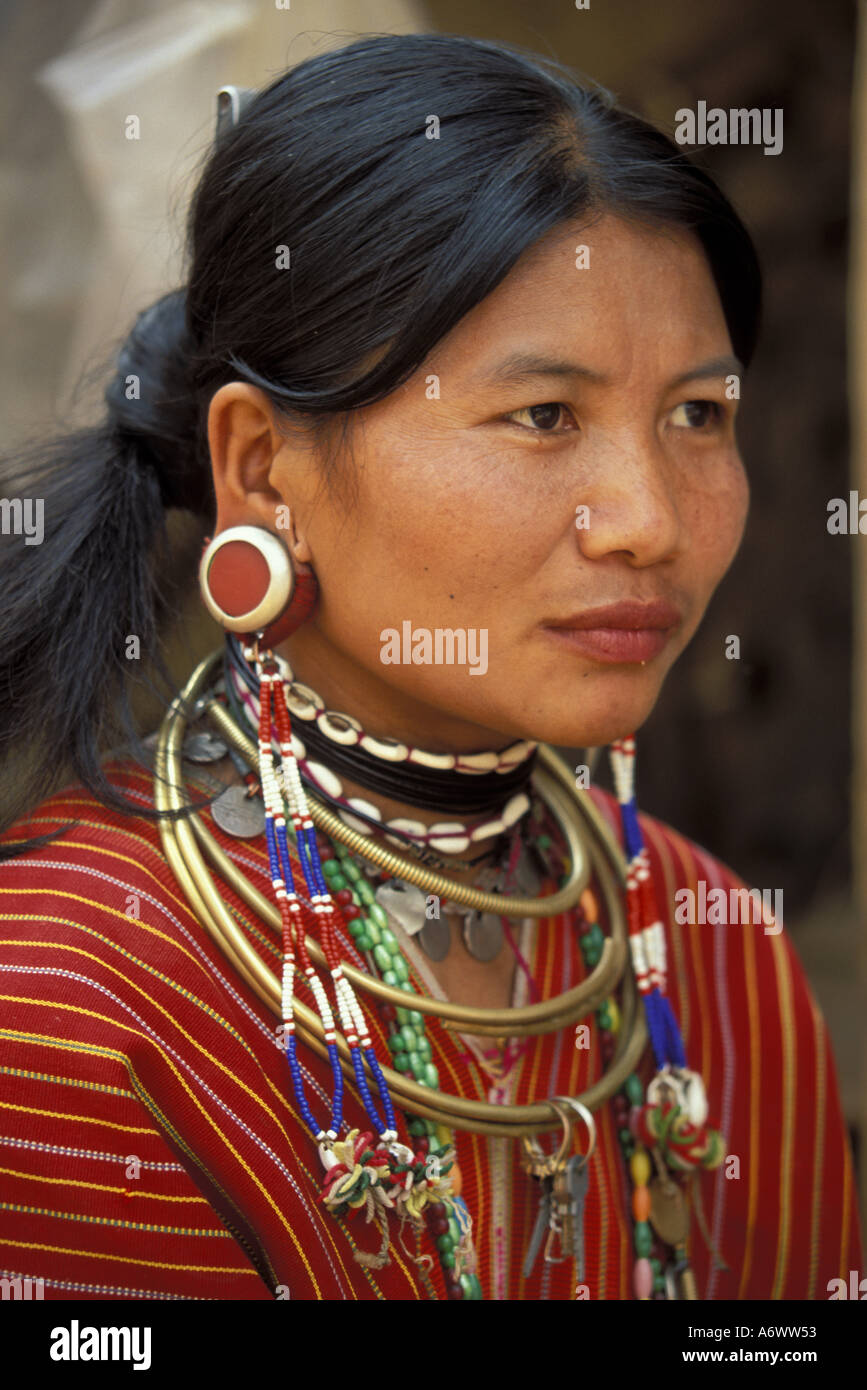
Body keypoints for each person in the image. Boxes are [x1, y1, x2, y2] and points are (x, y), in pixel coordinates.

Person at [0, 32, 859, 1302]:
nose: (651, 521)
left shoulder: (712, 950)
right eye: (543, 415)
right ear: (262, 469)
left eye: (697, 415)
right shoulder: (70, 994)